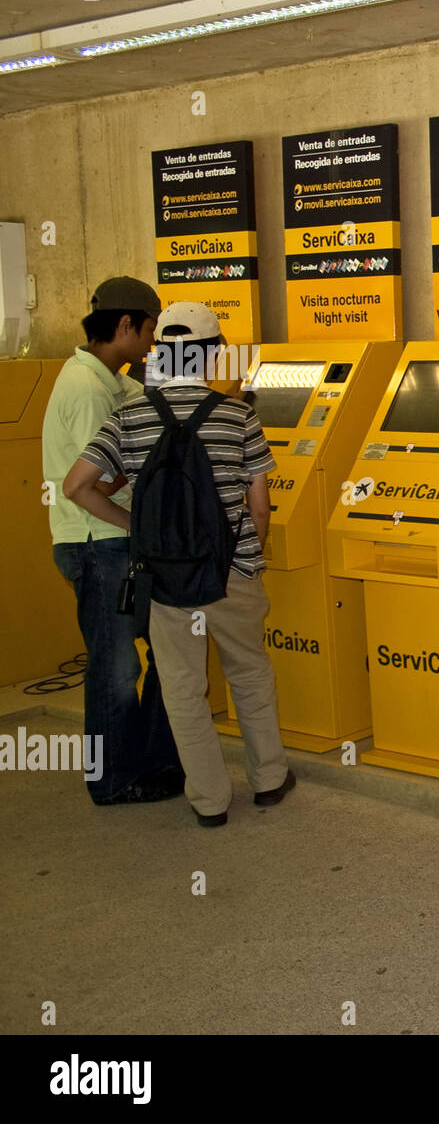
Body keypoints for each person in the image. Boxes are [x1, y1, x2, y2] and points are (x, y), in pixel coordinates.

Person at [62, 301, 294, 827]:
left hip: (166, 577)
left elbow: (78, 486)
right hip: (231, 571)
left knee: (183, 689)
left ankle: (210, 801)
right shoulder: (239, 415)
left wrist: (137, 531)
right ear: (212, 354)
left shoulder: (129, 415)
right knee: (250, 674)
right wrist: (249, 560)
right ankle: (269, 781)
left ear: (161, 353)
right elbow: (260, 505)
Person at [42, 277, 183, 805]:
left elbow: (152, 409)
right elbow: (92, 484)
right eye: (149, 330)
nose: (152, 343)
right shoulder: (86, 388)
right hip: (98, 546)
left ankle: (149, 764)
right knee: (116, 669)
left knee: (163, 656)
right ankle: (114, 780)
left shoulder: (111, 380)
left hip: (113, 545)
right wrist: (138, 527)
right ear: (125, 324)